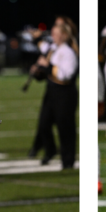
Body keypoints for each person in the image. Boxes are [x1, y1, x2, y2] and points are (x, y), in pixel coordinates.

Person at [30, 24, 78, 170]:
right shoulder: (53, 49)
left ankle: (68, 161)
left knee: (65, 129)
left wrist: (47, 66)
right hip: (51, 91)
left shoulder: (68, 52)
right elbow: (47, 69)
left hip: (65, 93)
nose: (53, 36)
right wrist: (38, 71)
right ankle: (50, 150)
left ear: (64, 35)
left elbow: (65, 75)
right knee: (43, 124)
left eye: (56, 34)